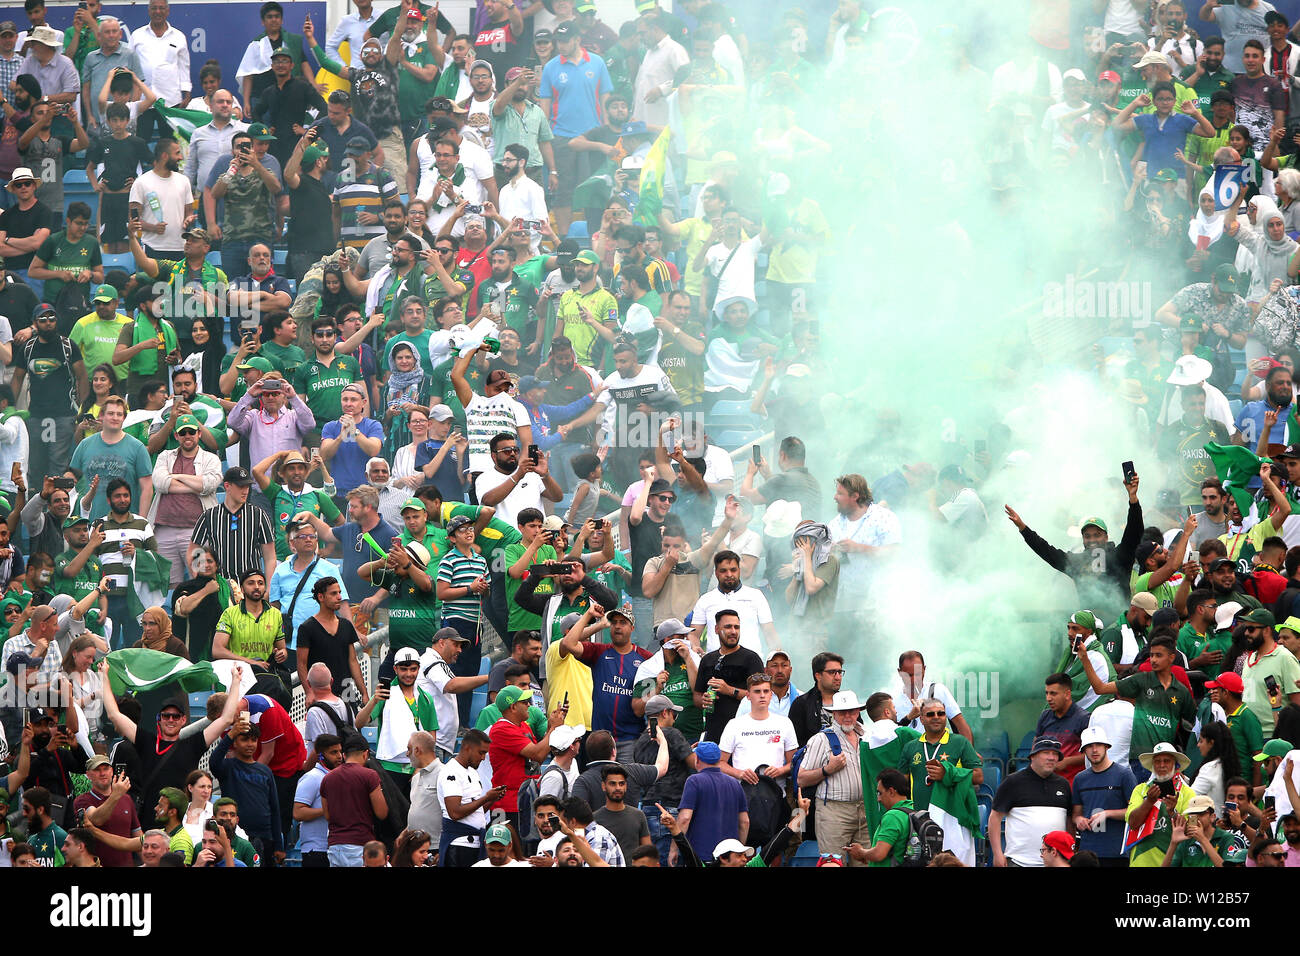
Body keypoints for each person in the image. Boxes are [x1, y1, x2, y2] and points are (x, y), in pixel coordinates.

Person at [98, 662, 242, 829]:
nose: (171, 720)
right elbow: (114, 715)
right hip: (149, 820)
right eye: (166, 716)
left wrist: (235, 681)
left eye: (175, 716)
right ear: (159, 719)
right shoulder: (146, 741)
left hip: (181, 824)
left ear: (183, 720)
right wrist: (104, 677)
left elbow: (226, 719)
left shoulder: (193, 744)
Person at [988, 736, 1073, 868]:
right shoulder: (1013, 782)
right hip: (1018, 862)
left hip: (1055, 863)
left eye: (1055, 754)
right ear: (1032, 756)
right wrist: (997, 853)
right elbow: (994, 818)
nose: (1051, 757)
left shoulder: (1064, 785)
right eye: (1046, 752)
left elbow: (1069, 822)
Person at [437, 728, 505, 867]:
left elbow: (477, 811)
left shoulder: (473, 772)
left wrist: (492, 799)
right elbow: (455, 812)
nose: (483, 757)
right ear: (467, 748)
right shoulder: (452, 771)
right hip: (459, 845)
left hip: (474, 843)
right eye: (481, 752)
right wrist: (486, 798)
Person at [319, 732, 387, 867]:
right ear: (366, 754)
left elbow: (327, 815)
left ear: (344, 755)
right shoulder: (370, 776)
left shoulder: (327, 778)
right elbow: (382, 812)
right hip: (360, 845)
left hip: (335, 847)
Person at [1125, 742, 1196, 867]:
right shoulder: (1140, 790)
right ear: (1152, 765)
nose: (1161, 765)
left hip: (1174, 862)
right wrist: (1149, 801)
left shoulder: (1189, 793)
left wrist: (1172, 813)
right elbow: (1132, 823)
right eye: (1157, 761)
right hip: (1140, 862)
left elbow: (1193, 832)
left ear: (1176, 765)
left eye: (1166, 761)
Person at [845, 769, 915, 867]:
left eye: (880, 793)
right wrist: (867, 857)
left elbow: (879, 854)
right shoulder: (911, 811)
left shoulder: (893, 816)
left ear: (891, 791)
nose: (878, 799)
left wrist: (861, 852)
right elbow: (896, 854)